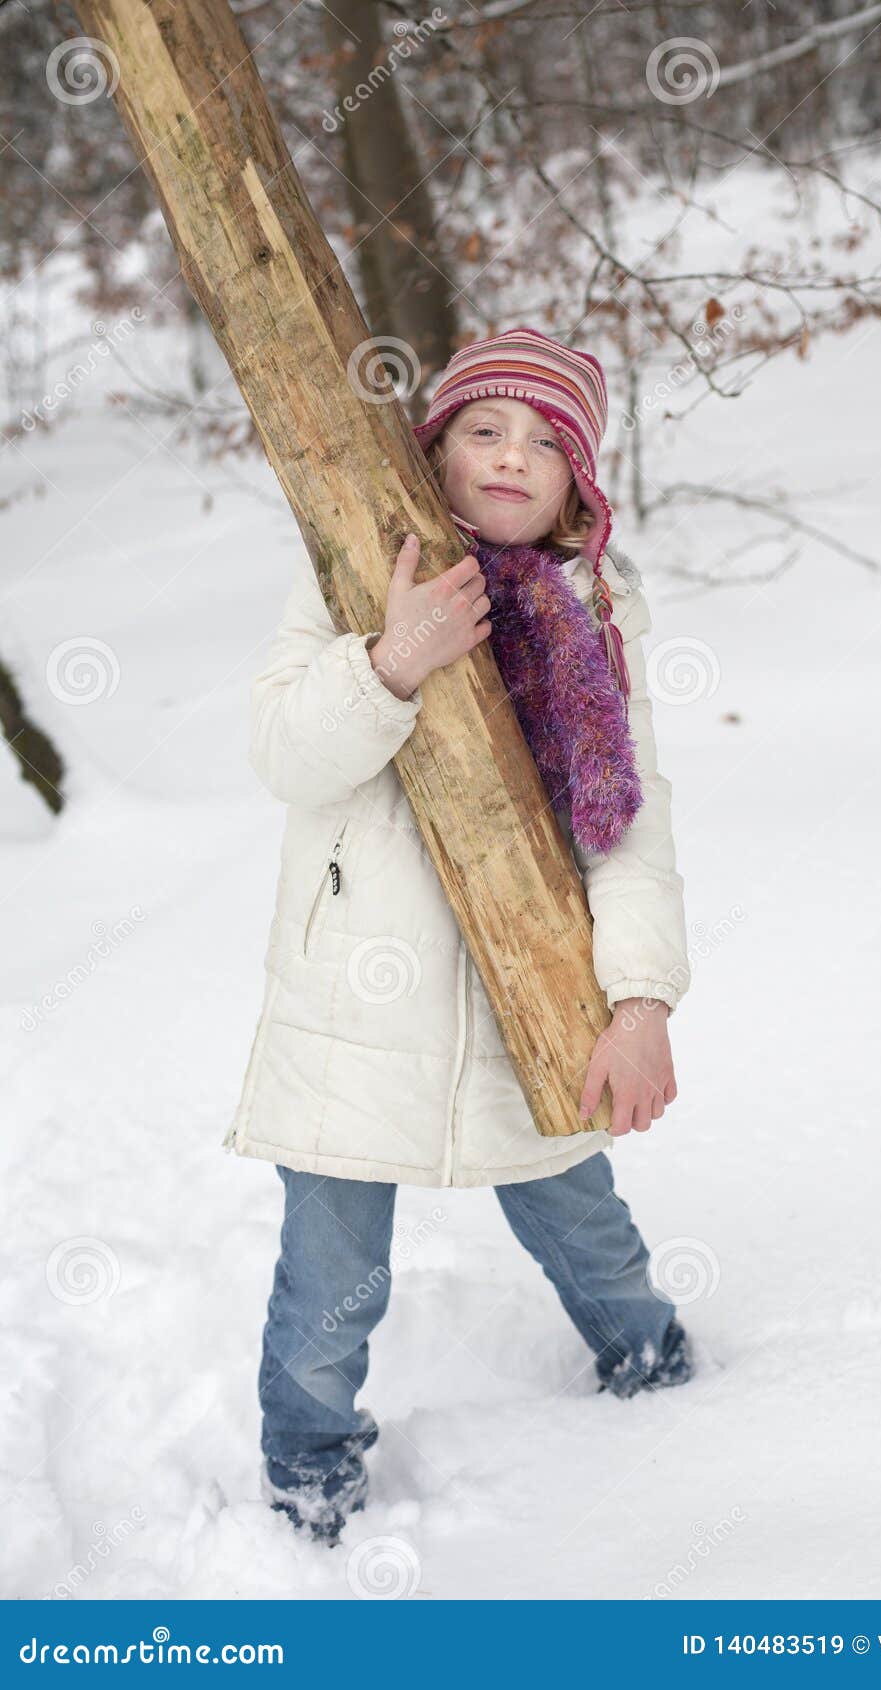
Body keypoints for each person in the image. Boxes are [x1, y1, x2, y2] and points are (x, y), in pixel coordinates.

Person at [223, 327, 695, 1546]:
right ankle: (309, 1465)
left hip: (524, 999)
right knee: (329, 1274)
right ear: (433, 447)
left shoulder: (593, 613)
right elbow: (286, 752)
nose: (509, 457)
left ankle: (651, 1361)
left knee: (579, 1211)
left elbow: (627, 831)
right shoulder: (353, 569)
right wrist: (391, 659)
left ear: (578, 485)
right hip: (354, 1008)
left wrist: (637, 998)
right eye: (484, 428)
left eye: (546, 444)